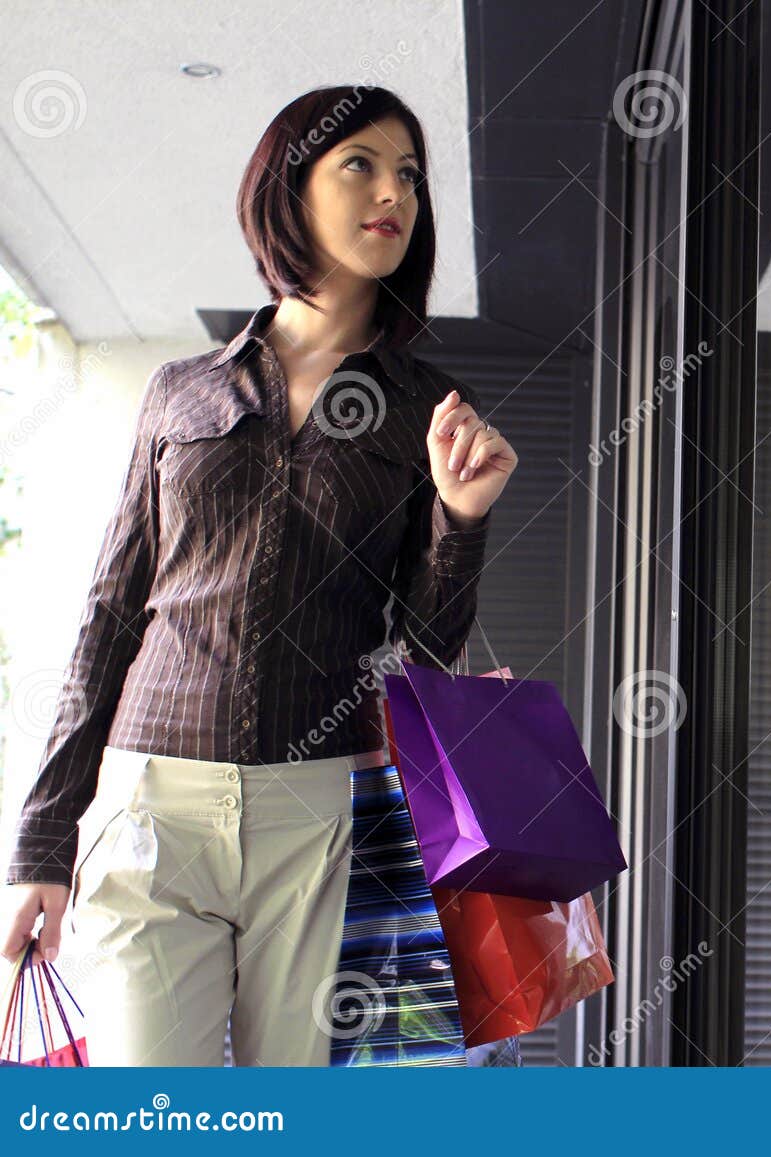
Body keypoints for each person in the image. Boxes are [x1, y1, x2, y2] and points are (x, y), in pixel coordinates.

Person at [0, 85, 518, 1066]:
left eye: (408, 173)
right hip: (152, 808)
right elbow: (110, 614)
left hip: (325, 820)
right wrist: (40, 841)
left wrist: (461, 520)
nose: (393, 192)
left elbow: (423, 656)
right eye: (358, 164)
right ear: (287, 188)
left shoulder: (429, 411)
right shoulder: (180, 390)